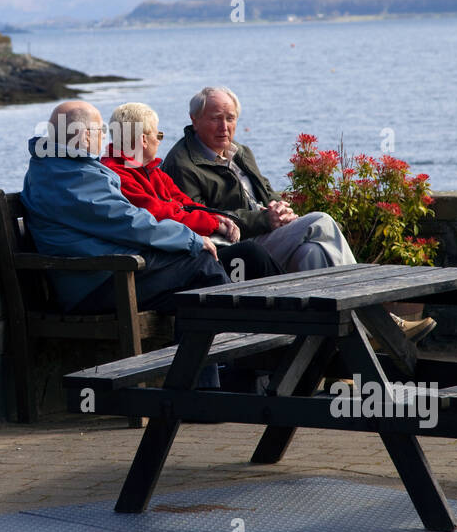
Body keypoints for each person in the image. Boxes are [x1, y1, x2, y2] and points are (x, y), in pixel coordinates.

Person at [161, 86, 435, 341]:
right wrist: (264, 219)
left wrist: (279, 207)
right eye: (215, 118)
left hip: (268, 233)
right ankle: (379, 319)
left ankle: (328, 355)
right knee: (321, 221)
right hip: (240, 249)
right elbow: (200, 219)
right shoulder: (182, 163)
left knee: (313, 254)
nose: (224, 126)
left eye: (230, 118)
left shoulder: (240, 152)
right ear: (194, 120)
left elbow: (266, 191)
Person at [20, 99, 229, 316]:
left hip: (100, 274)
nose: (104, 136)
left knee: (191, 288)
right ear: (85, 136)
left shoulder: (54, 167)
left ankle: (197, 348)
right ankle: (233, 342)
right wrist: (190, 238)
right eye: (100, 130)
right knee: (202, 266)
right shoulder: (73, 177)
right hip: (97, 284)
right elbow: (129, 223)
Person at [100, 102, 279, 282]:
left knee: (250, 255)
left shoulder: (151, 171)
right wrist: (215, 225)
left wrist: (219, 218)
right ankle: (288, 307)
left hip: (179, 250)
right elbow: (160, 216)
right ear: (144, 140)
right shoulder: (119, 176)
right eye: (158, 135)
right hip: (161, 263)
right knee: (251, 255)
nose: (159, 141)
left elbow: (185, 203)